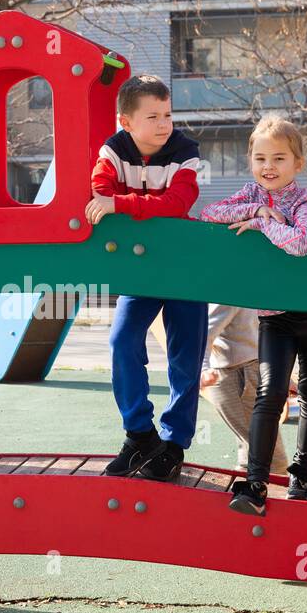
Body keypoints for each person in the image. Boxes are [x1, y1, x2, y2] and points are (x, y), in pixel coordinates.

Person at [200, 114, 307, 514]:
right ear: (250, 162)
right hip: (274, 317)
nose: (268, 167)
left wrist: (264, 227)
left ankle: (301, 475)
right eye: (260, 158)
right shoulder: (250, 196)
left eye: (279, 158)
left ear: (298, 163)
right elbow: (210, 215)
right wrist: (260, 213)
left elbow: (300, 244)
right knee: (270, 393)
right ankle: (256, 483)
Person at [84, 74, 207, 482]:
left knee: (185, 360)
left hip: (186, 264)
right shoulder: (113, 151)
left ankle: (173, 446)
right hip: (141, 269)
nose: (163, 124)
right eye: (152, 116)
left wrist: (122, 203)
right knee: (122, 340)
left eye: (168, 114)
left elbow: (177, 203)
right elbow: (96, 192)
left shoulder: (185, 151)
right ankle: (140, 434)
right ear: (126, 121)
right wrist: (119, 203)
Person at [200, 304, 288, 475]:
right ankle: (273, 494)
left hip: (252, 368)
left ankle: (244, 489)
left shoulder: (251, 289)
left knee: (251, 450)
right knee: (272, 456)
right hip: (238, 374)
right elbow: (204, 332)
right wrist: (202, 369)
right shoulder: (231, 292)